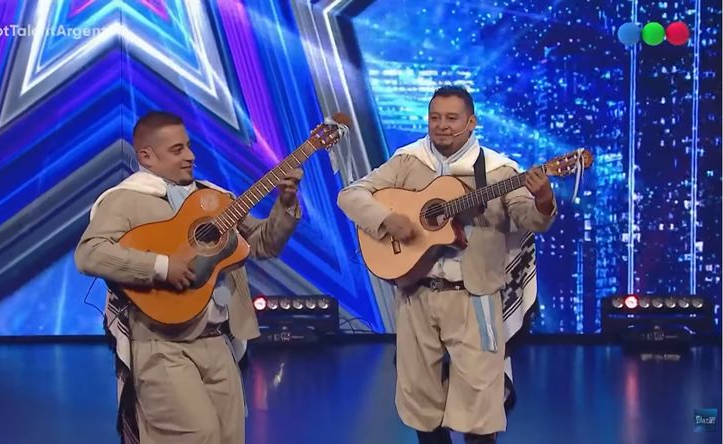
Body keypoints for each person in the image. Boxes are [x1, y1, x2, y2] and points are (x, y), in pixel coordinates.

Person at [337, 85, 557, 444]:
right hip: (417, 294)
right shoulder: (408, 162)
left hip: (476, 298)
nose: (441, 126)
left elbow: (529, 221)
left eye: (451, 118)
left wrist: (544, 199)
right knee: (420, 397)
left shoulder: (500, 171)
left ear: (471, 122)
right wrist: (387, 219)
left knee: (480, 401)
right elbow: (351, 194)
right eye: (435, 117)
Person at [75, 111, 302, 444]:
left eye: (190, 147)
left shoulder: (213, 198)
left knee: (228, 436)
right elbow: (90, 253)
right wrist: (162, 266)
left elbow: (262, 244)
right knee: (196, 436)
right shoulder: (125, 200)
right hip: (160, 342)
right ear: (146, 156)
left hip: (218, 339)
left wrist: (285, 203)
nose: (191, 156)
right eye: (177, 149)